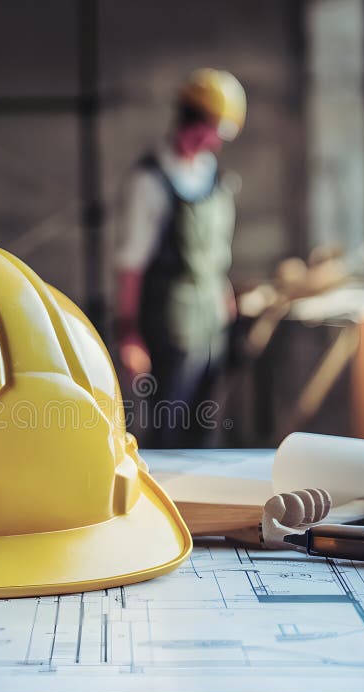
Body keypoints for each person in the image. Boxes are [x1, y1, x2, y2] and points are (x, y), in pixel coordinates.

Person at [115, 68, 246, 446]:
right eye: (215, 131)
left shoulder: (215, 178)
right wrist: (129, 334)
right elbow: (130, 264)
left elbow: (214, 251)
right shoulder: (149, 180)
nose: (217, 144)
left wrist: (223, 294)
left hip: (211, 321)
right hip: (169, 323)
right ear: (194, 120)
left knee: (207, 425)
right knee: (168, 425)